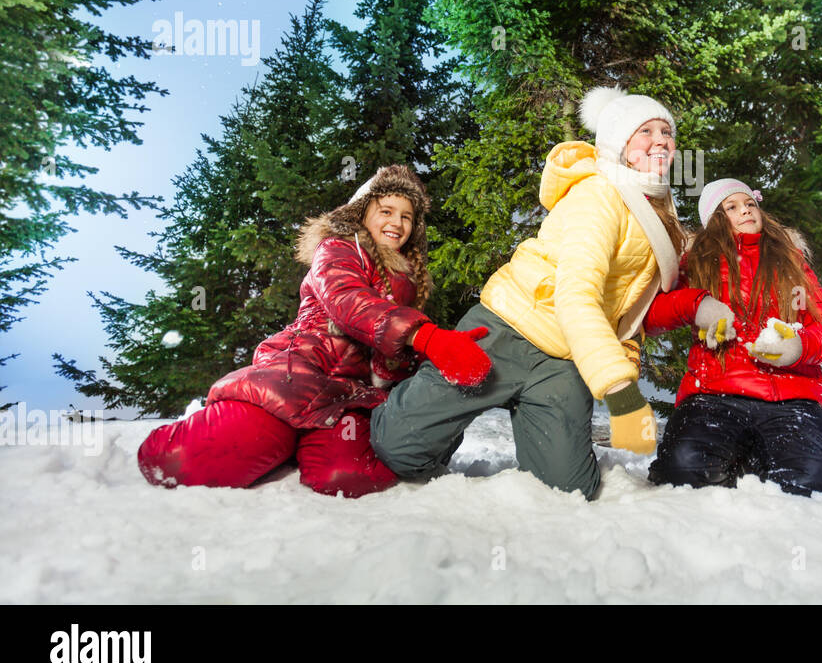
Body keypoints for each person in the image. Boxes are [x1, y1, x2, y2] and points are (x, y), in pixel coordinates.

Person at [370, 87, 729, 500]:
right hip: (508, 331)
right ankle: (416, 412)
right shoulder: (599, 195)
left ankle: (521, 413)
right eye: (645, 130)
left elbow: (628, 313)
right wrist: (622, 393)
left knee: (569, 489)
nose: (661, 139)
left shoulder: (656, 213)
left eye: (667, 131)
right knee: (396, 449)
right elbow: (577, 295)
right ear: (620, 145)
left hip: (562, 361)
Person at [137, 165, 490, 498]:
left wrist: (427, 362)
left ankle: (297, 442)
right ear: (362, 212)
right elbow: (348, 300)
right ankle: (258, 431)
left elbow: (389, 359)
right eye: (386, 210)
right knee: (182, 458)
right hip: (297, 372)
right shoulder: (338, 249)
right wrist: (424, 336)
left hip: (351, 397)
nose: (397, 222)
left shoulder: (409, 287)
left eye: (407, 216)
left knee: (346, 476)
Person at [645, 178, 822, 498]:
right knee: (683, 471)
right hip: (713, 394)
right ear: (715, 219)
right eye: (732, 206)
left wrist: (800, 347)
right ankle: (748, 452)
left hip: (792, 397)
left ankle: (751, 453)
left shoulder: (793, 262)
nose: (745, 210)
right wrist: (697, 304)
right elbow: (652, 316)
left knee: (819, 480)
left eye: (750, 203)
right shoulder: (695, 261)